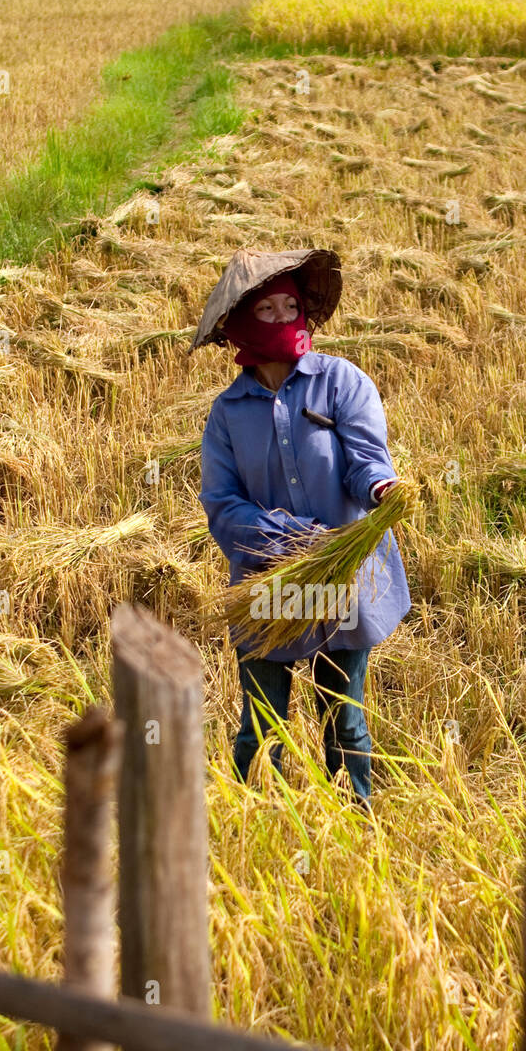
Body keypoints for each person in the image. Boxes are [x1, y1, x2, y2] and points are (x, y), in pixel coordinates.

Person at [191, 248, 411, 810]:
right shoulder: (227, 413)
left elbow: (366, 460)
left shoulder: (342, 382)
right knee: (261, 725)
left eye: (292, 305)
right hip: (270, 585)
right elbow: (222, 505)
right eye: (268, 309)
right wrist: (290, 539)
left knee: (346, 723)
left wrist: (381, 489)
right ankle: (247, 825)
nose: (285, 318)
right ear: (240, 322)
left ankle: (354, 827)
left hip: (342, 577)